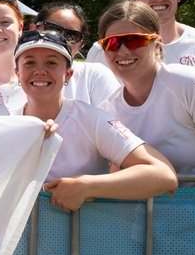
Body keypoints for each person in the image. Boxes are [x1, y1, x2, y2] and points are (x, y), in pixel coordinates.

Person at [15, 30, 177, 211]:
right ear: (17, 73)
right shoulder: (6, 122)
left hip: (87, 237)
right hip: (23, 239)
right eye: (29, 63)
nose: (39, 71)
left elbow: (163, 175)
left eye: (51, 63)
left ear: (68, 75)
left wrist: (87, 186)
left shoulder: (92, 119)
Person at [96, 0, 195, 177]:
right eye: (112, 43)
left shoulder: (193, 85)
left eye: (134, 40)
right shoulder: (108, 111)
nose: (123, 51)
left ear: (157, 43)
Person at [32, 2, 119, 106]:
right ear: (33, 29)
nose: (60, 39)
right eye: (53, 29)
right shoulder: (13, 77)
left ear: (81, 45)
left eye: (71, 36)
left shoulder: (95, 76)